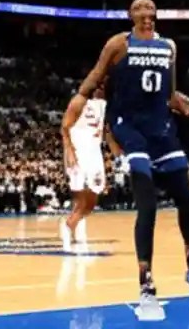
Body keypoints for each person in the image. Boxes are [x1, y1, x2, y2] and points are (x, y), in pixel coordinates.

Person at [67, 0, 189, 321]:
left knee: (186, 202)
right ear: (131, 16)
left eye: (151, 9)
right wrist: (73, 113)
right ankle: (146, 285)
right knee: (147, 204)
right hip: (129, 128)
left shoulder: (168, 46)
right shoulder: (118, 44)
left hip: (161, 129)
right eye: (140, 10)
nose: (147, 13)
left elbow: (169, 94)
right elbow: (92, 80)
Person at [59, 83, 122, 253]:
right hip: (78, 153)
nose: (102, 88)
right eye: (99, 86)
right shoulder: (79, 101)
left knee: (93, 199)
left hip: (94, 153)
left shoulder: (103, 105)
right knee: (81, 198)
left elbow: (106, 131)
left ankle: (74, 222)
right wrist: (70, 151)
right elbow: (64, 127)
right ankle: (68, 227)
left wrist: (117, 152)